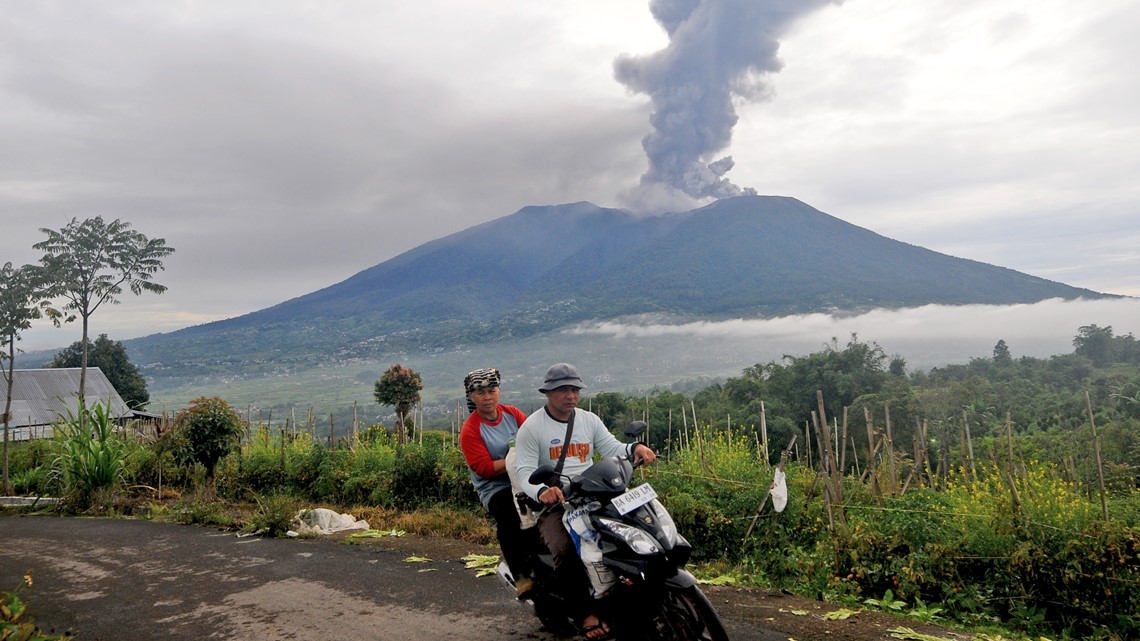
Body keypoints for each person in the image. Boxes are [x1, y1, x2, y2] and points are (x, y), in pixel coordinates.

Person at [514, 363, 657, 641]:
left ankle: (634, 595)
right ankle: (585, 614)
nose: (570, 395)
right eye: (563, 389)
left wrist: (634, 448)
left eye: (574, 389)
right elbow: (524, 472)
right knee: (566, 551)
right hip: (556, 505)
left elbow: (612, 447)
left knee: (637, 531)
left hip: (595, 495)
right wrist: (543, 490)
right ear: (548, 392)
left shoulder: (589, 420)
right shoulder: (532, 428)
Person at [458, 367, 535, 599]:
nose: (487, 396)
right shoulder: (471, 430)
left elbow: (533, 437)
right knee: (511, 516)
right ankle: (521, 577)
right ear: (472, 397)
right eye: (480, 392)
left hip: (524, 478)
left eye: (492, 390)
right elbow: (483, 468)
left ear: (499, 391)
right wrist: (513, 460)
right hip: (496, 487)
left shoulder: (512, 414)